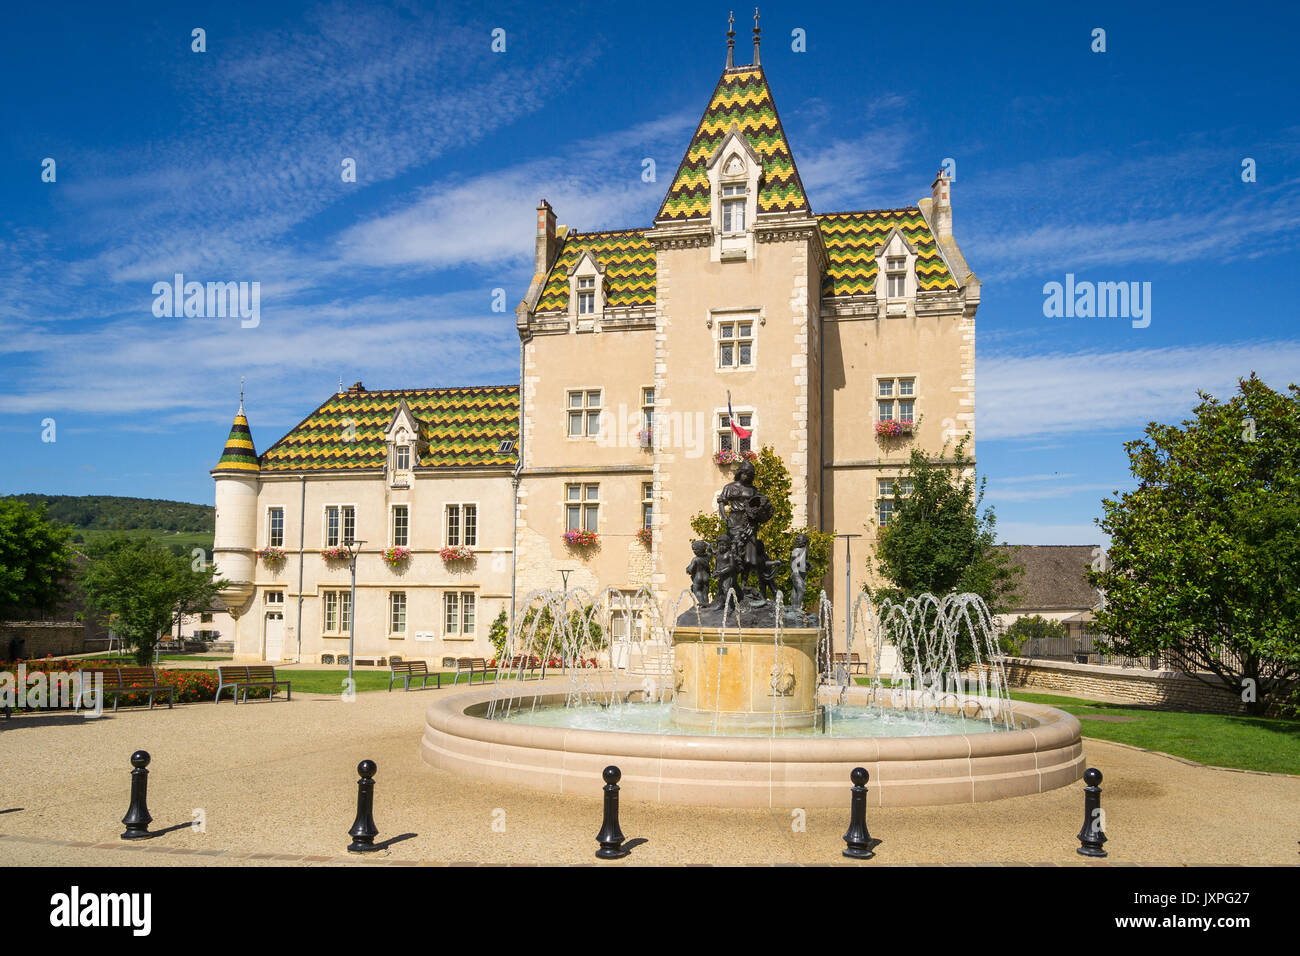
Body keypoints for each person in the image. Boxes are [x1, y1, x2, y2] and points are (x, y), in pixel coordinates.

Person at [686, 540, 712, 609]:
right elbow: (710, 549)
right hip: (706, 577)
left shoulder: (695, 559)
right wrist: (707, 543)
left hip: (698, 577)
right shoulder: (707, 557)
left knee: (696, 590)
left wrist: (687, 569)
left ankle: (702, 603)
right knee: (705, 591)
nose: (694, 551)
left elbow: (690, 570)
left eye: (695, 549)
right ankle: (706, 604)